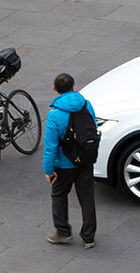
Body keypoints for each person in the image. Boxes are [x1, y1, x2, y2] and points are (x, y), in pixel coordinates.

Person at [43, 73, 97, 248]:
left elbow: (50, 147)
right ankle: (88, 237)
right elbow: (93, 129)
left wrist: (48, 170)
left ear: (54, 89)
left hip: (64, 164)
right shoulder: (87, 105)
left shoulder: (54, 115)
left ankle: (63, 232)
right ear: (74, 86)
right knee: (87, 197)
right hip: (86, 160)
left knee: (59, 195)